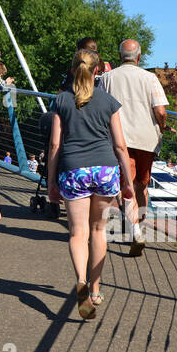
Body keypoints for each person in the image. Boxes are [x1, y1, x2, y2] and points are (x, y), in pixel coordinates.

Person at [48, 49, 135, 318]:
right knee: (98, 231)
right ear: (98, 71)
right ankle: (95, 290)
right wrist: (128, 182)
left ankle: (81, 282)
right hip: (105, 170)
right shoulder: (108, 101)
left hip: (74, 171)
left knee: (78, 233)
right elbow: (120, 145)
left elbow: (55, 144)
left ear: (73, 70)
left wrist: (52, 181)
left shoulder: (61, 101)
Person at [100, 40, 168, 256]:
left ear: (120, 57)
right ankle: (139, 223)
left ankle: (135, 230)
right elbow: (161, 111)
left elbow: (100, 107)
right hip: (147, 139)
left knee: (126, 186)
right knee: (142, 184)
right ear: (139, 58)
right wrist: (163, 127)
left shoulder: (108, 78)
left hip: (121, 138)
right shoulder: (150, 78)